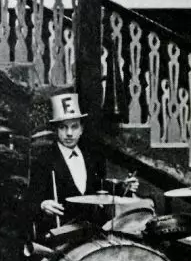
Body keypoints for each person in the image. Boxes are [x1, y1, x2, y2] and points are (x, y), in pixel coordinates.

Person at [26, 92, 137, 230]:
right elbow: (30, 201)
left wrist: (124, 187)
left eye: (74, 126)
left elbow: (99, 188)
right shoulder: (44, 159)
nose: (69, 133)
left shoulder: (91, 157)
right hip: (60, 233)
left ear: (81, 129)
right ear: (56, 130)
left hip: (91, 231)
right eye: (63, 127)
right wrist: (43, 205)